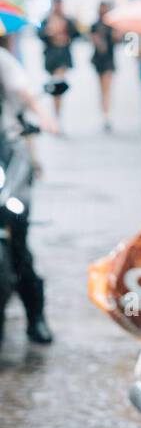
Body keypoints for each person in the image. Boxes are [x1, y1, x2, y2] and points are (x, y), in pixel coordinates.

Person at [0, 23, 58, 344]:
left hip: (6, 152)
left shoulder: (3, 61)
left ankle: (36, 317)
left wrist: (44, 115)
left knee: (18, 237)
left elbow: (25, 90)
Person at [37, 0, 79, 124]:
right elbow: (39, 34)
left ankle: (57, 114)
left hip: (63, 57)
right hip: (51, 57)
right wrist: (49, 33)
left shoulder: (67, 19)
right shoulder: (46, 20)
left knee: (58, 83)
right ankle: (56, 112)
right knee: (55, 86)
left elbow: (76, 34)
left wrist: (66, 35)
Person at [90, 1, 118, 132]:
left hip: (109, 59)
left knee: (106, 87)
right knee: (102, 88)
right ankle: (104, 112)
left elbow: (117, 40)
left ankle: (106, 114)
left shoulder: (113, 24)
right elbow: (93, 40)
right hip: (99, 60)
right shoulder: (95, 25)